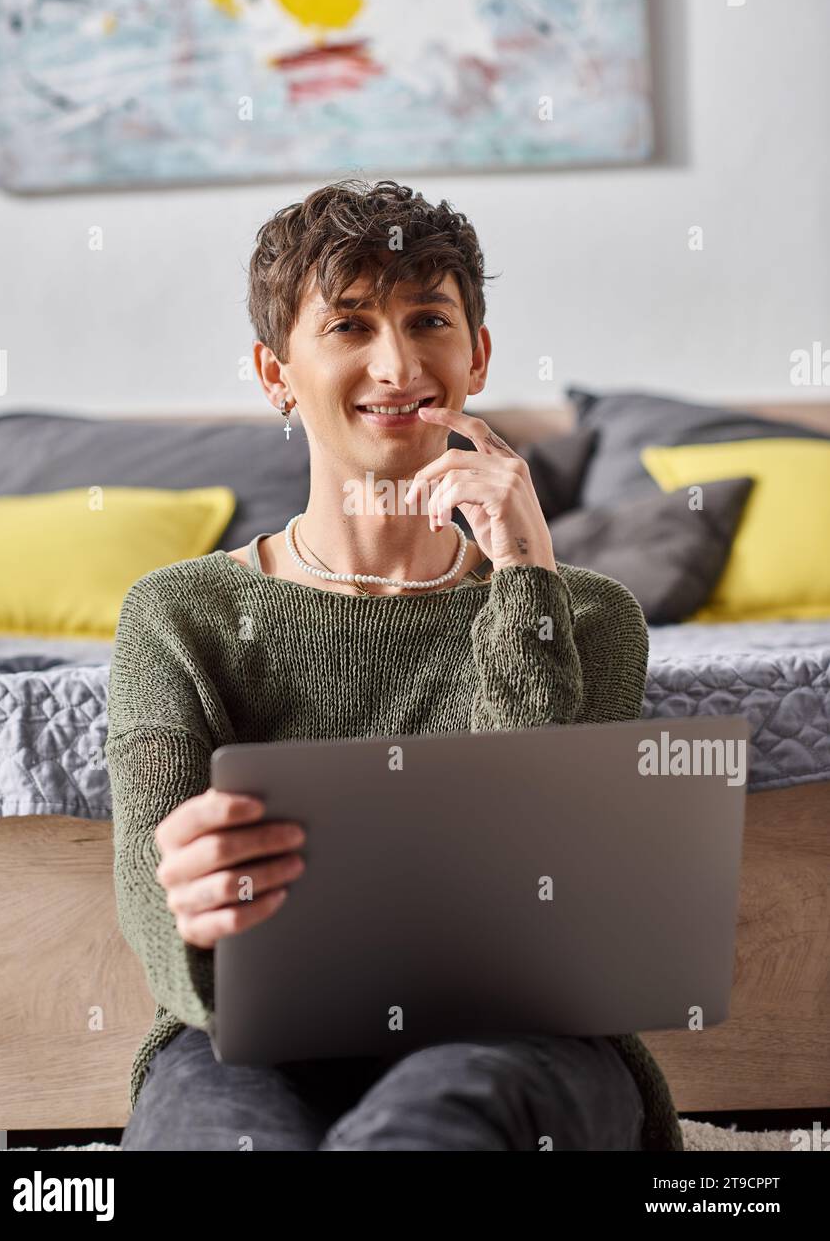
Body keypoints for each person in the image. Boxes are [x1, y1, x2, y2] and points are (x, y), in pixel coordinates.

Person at [106, 178, 683, 1151]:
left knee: (435, 1123)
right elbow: (152, 898)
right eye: (348, 325)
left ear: (478, 353)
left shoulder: (588, 613)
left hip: (523, 1035)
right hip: (241, 1037)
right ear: (274, 371)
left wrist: (524, 581)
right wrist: (195, 908)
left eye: (429, 319)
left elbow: (536, 891)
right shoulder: (176, 614)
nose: (399, 362)